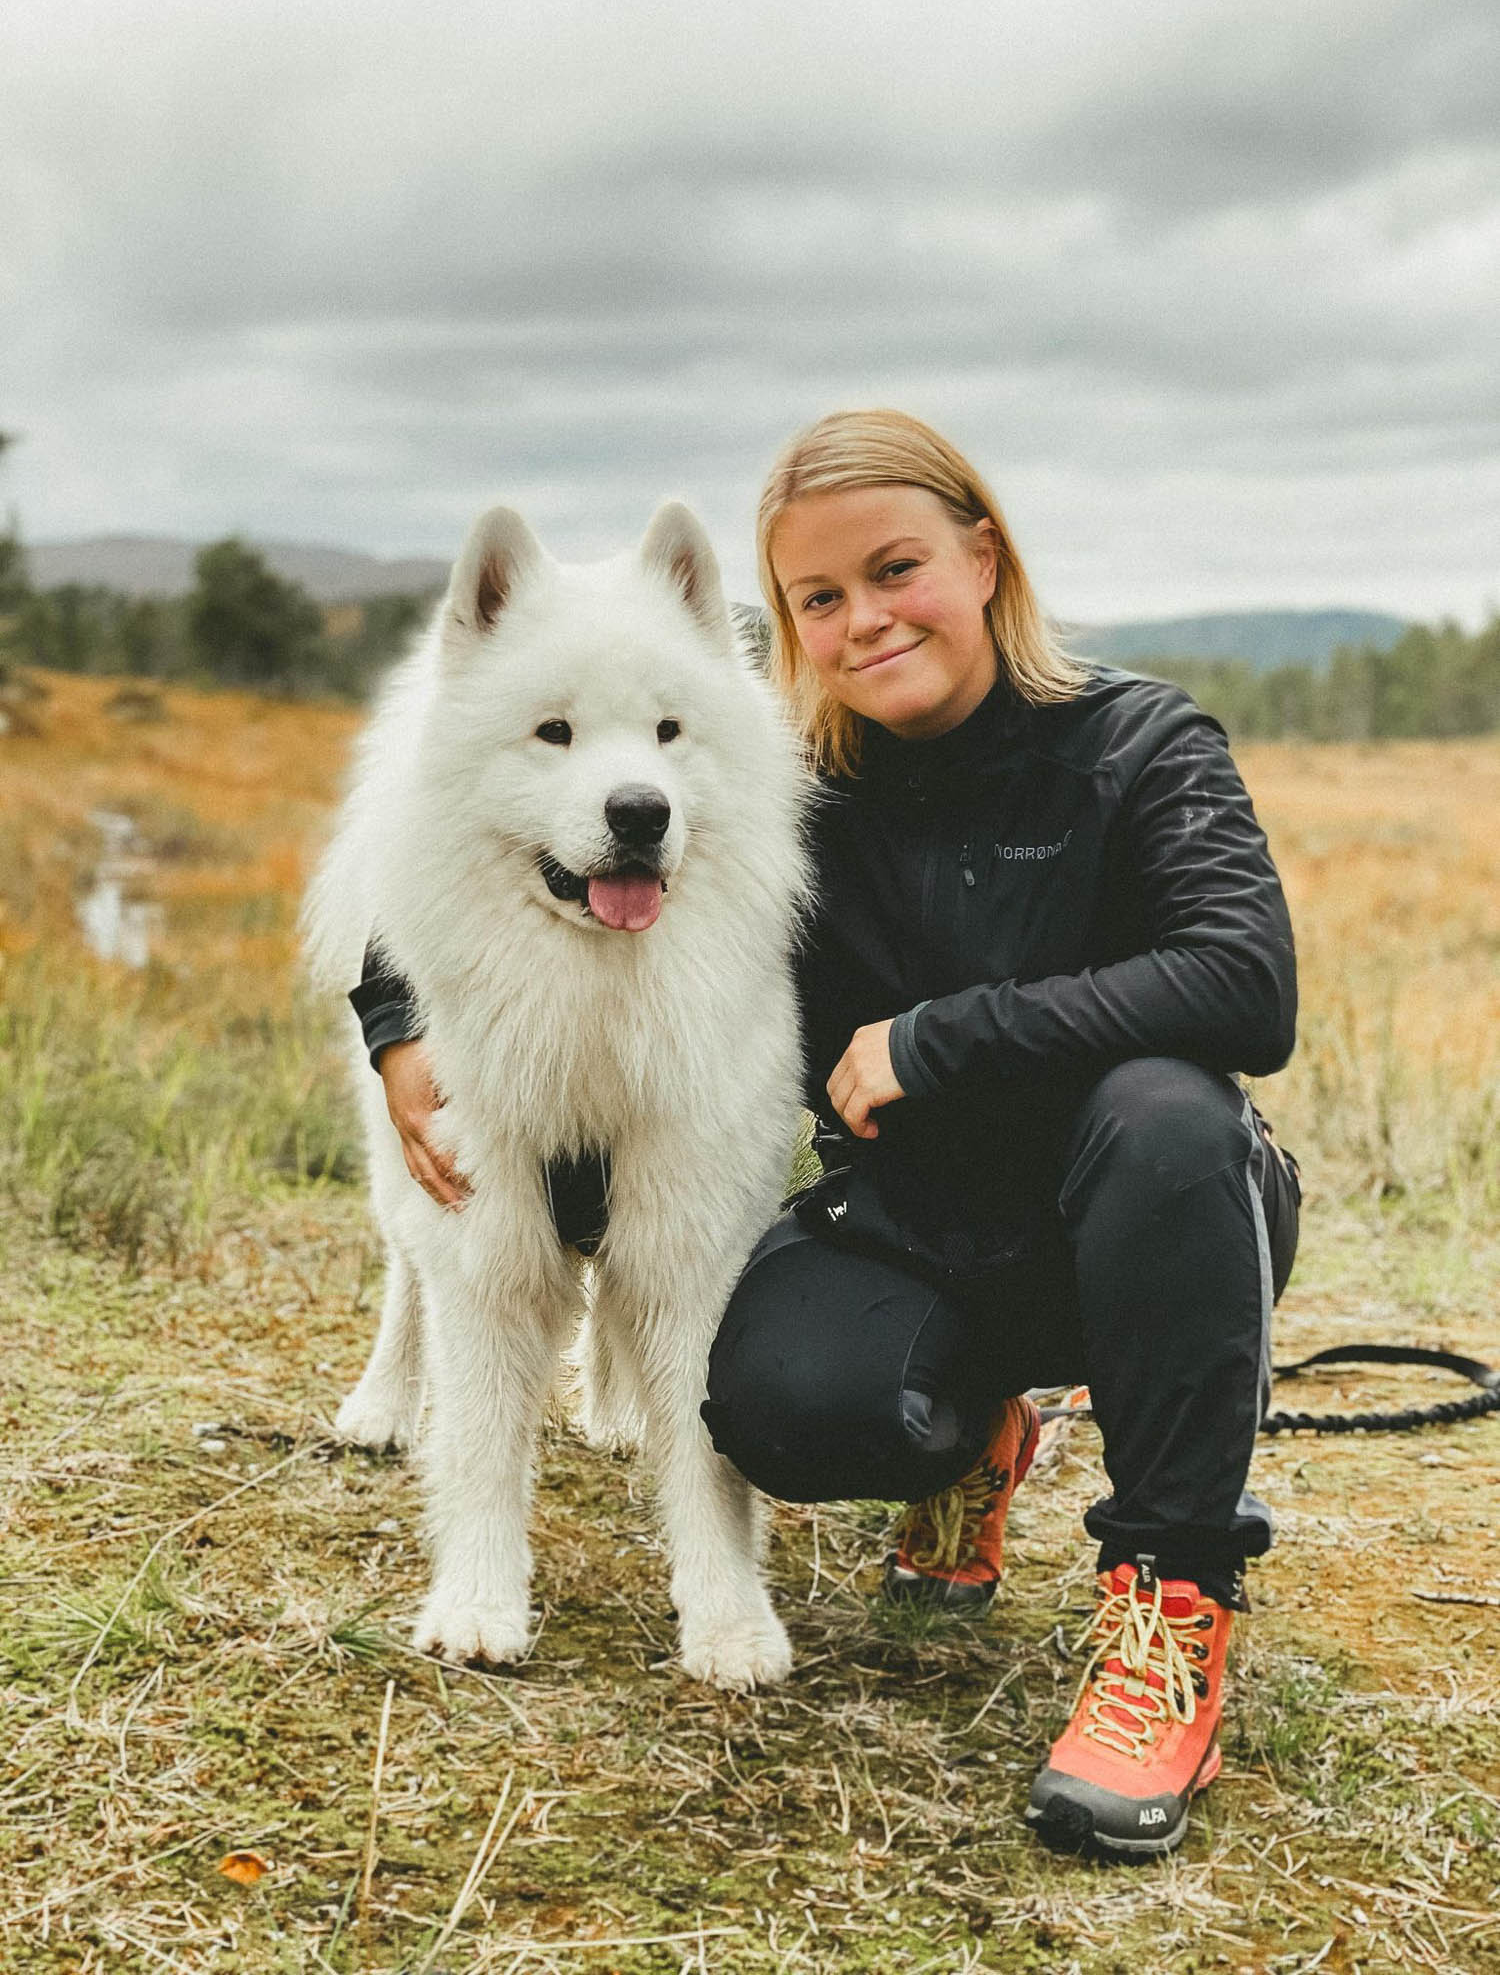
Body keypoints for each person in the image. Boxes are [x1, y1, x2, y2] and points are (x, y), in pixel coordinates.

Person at [351, 409, 1301, 1862]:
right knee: (782, 1399)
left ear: (983, 555)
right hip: (922, 1229)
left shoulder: (1134, 743)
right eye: (818, 597)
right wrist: (395, 1022)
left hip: (1150, 1219)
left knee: (1167, 1112)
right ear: (783, 621)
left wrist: (939, 1038)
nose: (864, 620)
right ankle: (973, 1438)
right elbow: (446, 848)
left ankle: (1170, 1607)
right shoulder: (793, 785)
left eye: (897, 568)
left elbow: (1248, 981)